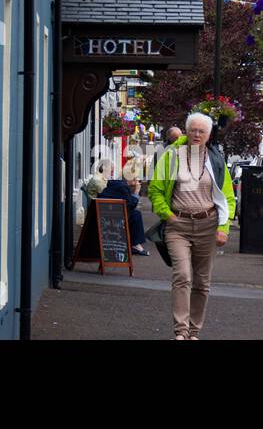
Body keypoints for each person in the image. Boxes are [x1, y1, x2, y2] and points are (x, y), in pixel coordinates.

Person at [148, 112, 236, 340]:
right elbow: (155, 189)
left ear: (208, 135)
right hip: (178, 226)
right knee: (183, 276)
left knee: (202, 282)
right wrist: (168, 216)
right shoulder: (172, 156)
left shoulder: (215, 160)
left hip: (208, 226)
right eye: (193, 130)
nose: (197, 134)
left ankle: (194, 331)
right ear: (186, 131)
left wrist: (223, 228)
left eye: (202, 131)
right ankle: (181, 331)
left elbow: (227, 197)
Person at [97, 166, 149, 256]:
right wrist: (136, 192)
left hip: (105, 215)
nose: (138, 180)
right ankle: (136, 245)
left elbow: (127, 203)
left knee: (135, 214)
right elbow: (131, 205)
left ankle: (135, 244)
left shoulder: (116, 184)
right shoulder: (123, 187)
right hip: (112, 220)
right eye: (136, 177)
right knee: (136, 214)